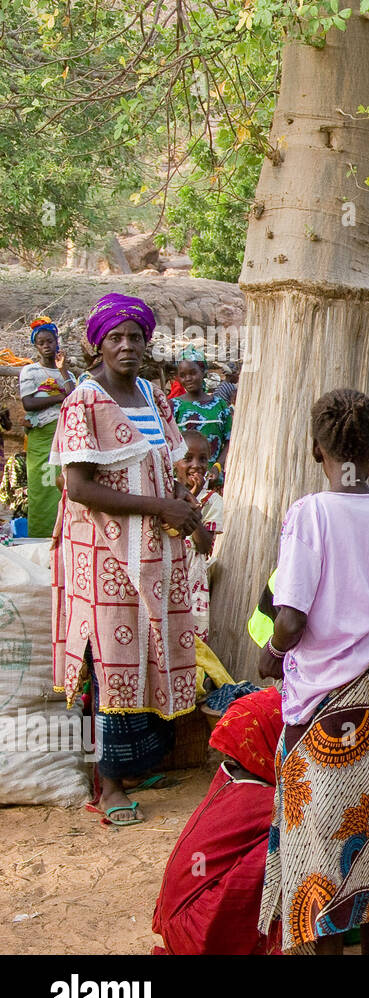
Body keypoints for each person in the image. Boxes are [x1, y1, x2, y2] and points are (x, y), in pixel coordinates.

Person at [257, 388, 369, 956]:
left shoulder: (309, 515)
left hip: (317, 715)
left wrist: (273, 656)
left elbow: (290, 617)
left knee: (320, 867)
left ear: (315, 451)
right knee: (366, 854)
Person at [51, 293, 202, 827]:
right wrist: (161, 507)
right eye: (115, 337)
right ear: (98, 344)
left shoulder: (153, 396)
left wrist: (188, 512)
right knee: (108, 660)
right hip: (103, 554)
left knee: (149, 650)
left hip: (157, 551)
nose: (127, 346)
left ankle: (137, 764)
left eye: (135, 337)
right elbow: (78, 486)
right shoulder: (83, 402)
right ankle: (106, 782)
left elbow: (172, 464)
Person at [153, 687, 283, 955]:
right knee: (287, 848)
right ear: (272, 741)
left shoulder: (228, 778)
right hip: (198, 935)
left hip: (178, 923)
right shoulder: (264, 800)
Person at [20, 316, 75, 537]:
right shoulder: (30, 372)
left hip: (64, 437)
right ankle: (41, 537)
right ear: (36, 346)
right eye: (41, 342)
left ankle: (64, 536)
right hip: (41, 438)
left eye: (50, 341)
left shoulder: (68, 375)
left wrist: (63, 372)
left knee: (63, 488)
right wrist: (59, 397)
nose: (46, 346)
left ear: (57, 343)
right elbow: (28, 402)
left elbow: (74, 397)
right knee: (41, 488)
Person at [177, 430, 223, 643]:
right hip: (167, 573)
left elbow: (205, 546)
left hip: (193, 578)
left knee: (192, 641)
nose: (196, 465)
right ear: (175, 462)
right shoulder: (163, 495)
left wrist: (193, 505)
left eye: (203, 459)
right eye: (188, 458)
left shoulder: (212, 501)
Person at [170, 346, 234, 488]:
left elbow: (230, 440)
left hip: (213, 478)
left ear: (203, 371)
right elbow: (168, 444)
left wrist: (217, 467)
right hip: (183, 482)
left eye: (193, 373)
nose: (188, 378)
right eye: (183, 375)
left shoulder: (220, 405)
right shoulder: (174, 406)